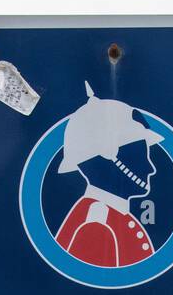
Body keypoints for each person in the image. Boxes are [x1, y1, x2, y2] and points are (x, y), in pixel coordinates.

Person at [55, 83, 163, 268]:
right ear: (109, 155)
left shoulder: (111, 214)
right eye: (139, 157)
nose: (151, 168)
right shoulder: (95, 224)